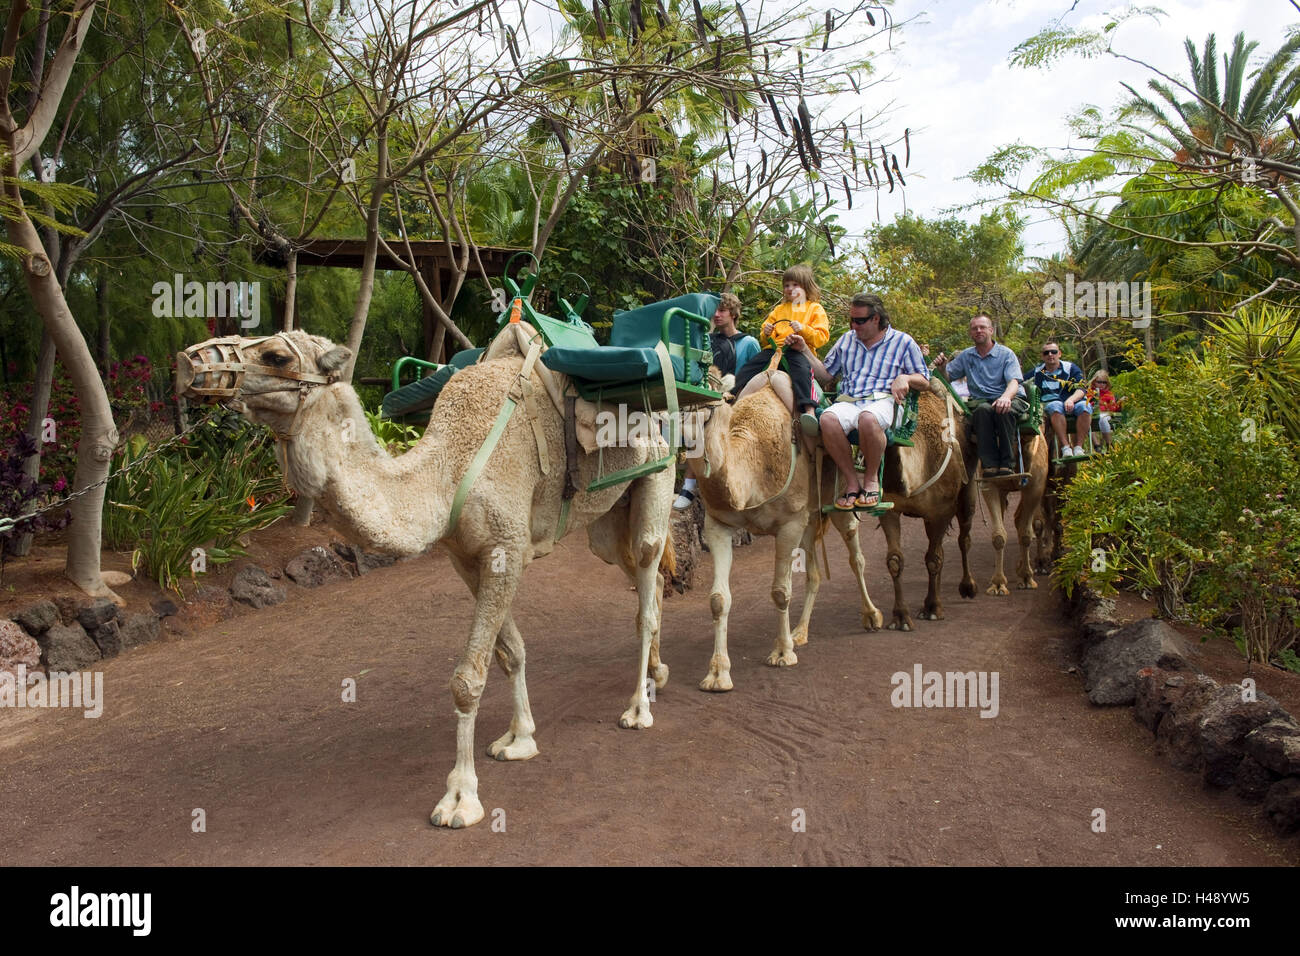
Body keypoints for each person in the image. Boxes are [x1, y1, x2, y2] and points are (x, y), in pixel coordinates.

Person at [802, 293, 929, 509]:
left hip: (885, 401)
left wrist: (905, 377)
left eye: (859, 320)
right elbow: (825, 376)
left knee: (868, 418)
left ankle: (871, 480)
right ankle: (852, 482)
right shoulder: (846, 340)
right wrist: (803, 349)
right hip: (850, 401)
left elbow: (924, 380)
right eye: (851, 320)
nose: (854, 326)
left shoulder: (903, 341)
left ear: (876, 319)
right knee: (828, 419)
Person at [675, 294, 759, 509]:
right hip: (712, 398)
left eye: (722, 310)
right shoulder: (708, 340)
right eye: (715, 310)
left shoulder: (749, 343)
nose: (716, 314)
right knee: (696, 420)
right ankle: (690, 484)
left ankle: (696, 485)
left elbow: (758, 376)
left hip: (739, 400)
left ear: (733, 313)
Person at [730, 265, 829, 420]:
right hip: (774, 350)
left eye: (795, 285)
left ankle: (808, 409)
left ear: (806, 286)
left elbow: (821, 337)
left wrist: (803, 329)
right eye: (787, 285)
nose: (790, 289)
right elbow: (764, 338)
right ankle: (730, 395)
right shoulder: (779, 309)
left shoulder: (815, 308)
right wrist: (767, 332)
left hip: (797, 350)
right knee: (749, 367)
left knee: (802, 371)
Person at [933, 314, 1023, 478]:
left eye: (982, 327)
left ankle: (1007, 464)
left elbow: (1014, 382)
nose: (978, 331)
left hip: (1009, 396)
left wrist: (1005, 398)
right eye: (974, 328)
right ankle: (989, 465)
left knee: (1004, 410)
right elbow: (947, 379)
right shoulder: (966, 356)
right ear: (970, 333)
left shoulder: (1006, 354)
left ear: (991, 330)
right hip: (983, 402)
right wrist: (942, 367)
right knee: (982, 411)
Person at [1032, 341, 1091, 457]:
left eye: (1053, 352)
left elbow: (1082, 388)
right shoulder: (1037, 372)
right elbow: (1019, 382)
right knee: (1055, 406)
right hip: (1052, 405)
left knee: (1085, 407)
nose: (1050, 355)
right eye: (1046, 353)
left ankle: (1079, 447)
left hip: (1074, 401)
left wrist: (1071, 400)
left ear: (1059, 353)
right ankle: (1066, 447)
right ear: (1042, 356)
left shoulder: (1070, 368)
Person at [1087, 370, 1121, 449]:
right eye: (1099, 382)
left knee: (1103, 419)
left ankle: (1109, 444)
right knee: (1086, 421)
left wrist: (1119, 405)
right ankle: (1096, 445)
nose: (1101, 384)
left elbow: (1112, 408)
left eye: (1104, 382)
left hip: (1105, 414)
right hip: (1092, 414)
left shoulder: (1109, 394)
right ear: (1094, 382)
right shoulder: (1090, 393)